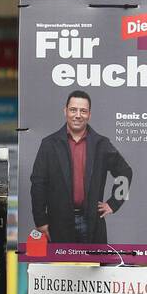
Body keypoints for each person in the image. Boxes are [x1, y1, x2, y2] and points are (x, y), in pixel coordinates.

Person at [29, 90, 134, 244]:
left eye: (83, 111)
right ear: (65, 111)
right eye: (73, 110)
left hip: (92, 222)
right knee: (61, 268)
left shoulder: (101, 144)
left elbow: (125, 172)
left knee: (93, 268)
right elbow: (38, 184)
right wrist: (40, 221)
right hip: (57, 223)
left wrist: (114, 203)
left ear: (89, 115)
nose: (78, 115)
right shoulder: (49, 144)